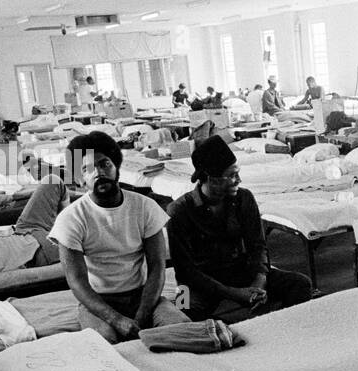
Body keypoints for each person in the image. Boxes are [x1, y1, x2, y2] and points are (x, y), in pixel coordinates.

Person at [49, 129, 189, 343]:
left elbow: (157, 267)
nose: (98, 173)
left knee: (182, 328)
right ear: (80, 180)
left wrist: (143, 314)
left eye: (105, 164)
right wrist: (117, 320)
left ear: (116, 169)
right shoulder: (71, 218)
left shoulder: (145, 207)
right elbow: (77, 283)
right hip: (98, 303)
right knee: (105, 342)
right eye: (87, 169)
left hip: (143, 296)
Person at [166, 135, 312, 322]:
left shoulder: (244, 198)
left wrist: (258, 282)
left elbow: (258, 247)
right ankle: (226, 336)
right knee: (182, 310)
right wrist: (236, 294)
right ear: (212, 179)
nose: (239, 180)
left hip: (238, 270)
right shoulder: (179, 211)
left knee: (301, 284)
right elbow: (185, 271)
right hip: (196, 282)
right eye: (232, 175)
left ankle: (280, 328)